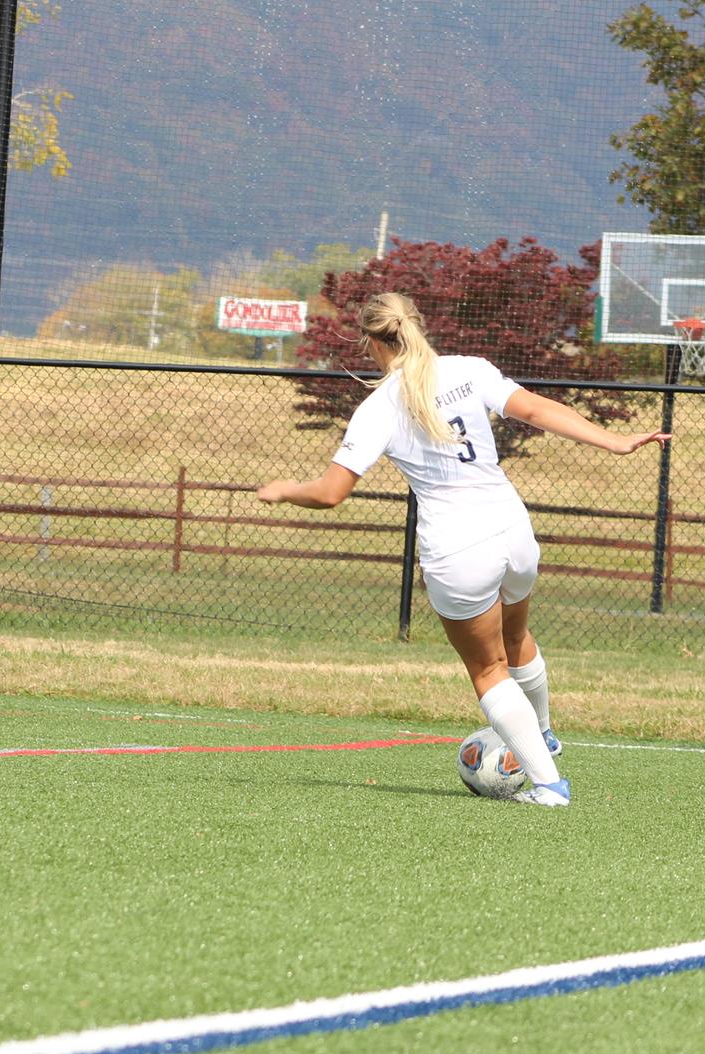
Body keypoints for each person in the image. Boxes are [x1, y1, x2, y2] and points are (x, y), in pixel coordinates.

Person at [258, 292, 668, 806]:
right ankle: (542, 733)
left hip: (458, 549)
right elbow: (537, 409)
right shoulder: (470, 370)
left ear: (370, 343)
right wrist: (614, 440)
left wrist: (283, 489)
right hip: (513, 530)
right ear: (416, 327)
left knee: (489, 670)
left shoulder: (379, 407)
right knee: (516, 639)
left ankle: (549, 785)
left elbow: (329, 494)